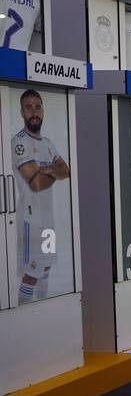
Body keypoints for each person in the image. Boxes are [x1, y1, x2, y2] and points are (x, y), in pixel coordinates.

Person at [11, 88, 70, 303]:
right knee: (31, 276)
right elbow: (36, 183)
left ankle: (43, 310)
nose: (34, 112)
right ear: (21, 112)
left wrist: (46, 171)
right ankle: (24, 320)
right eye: (28, 107)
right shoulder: (19, 142)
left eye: (37, 107)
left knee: (46, 269)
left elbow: (67, 171)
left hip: (48, 221)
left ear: (43, 111)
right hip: (31, 222)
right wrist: (52, 172)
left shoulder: (47, 144)